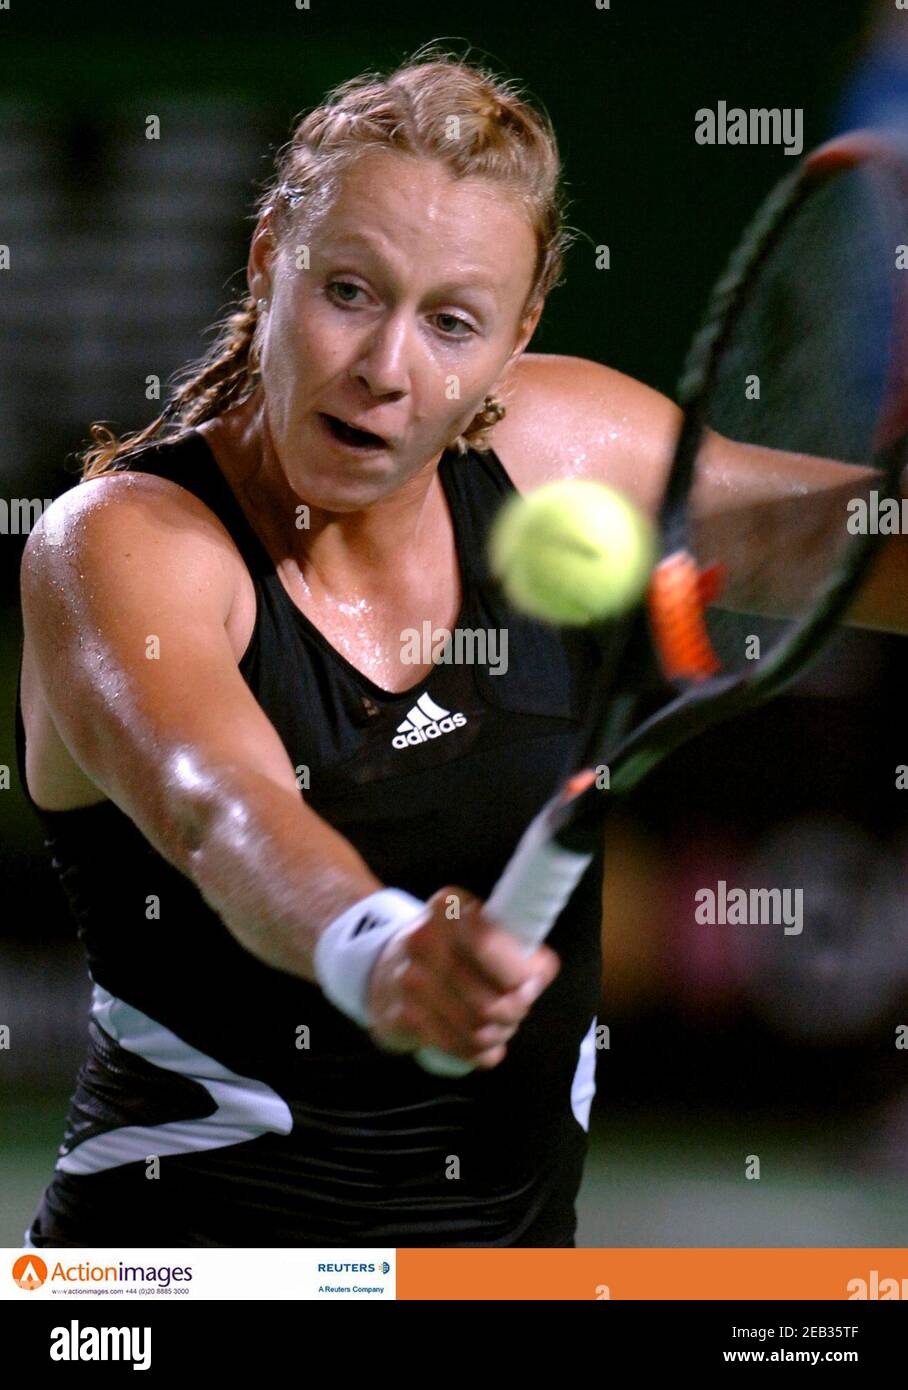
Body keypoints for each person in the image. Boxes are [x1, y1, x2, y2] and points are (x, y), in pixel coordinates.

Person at [16, 45, 908, 1250]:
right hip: (182, 1284)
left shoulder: (568, 450)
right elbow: (215, 807)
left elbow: (857, 550)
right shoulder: (123, 545)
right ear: (269, 253)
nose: (386, 369)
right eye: (348, 292)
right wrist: (374, 946)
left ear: (519, 329)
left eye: (450, 323)